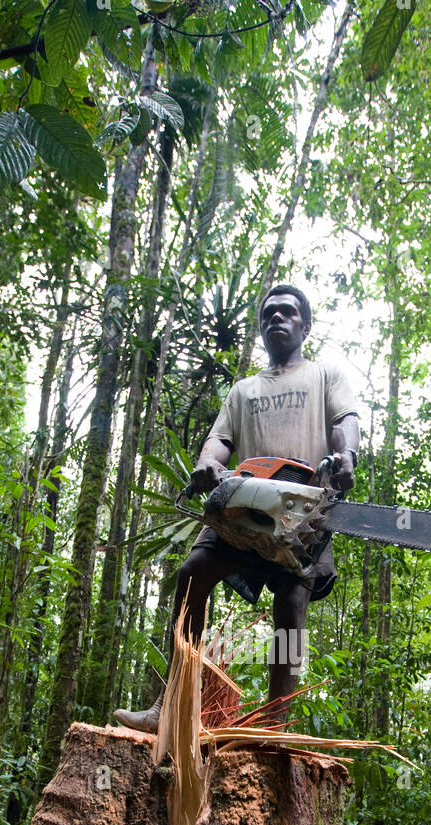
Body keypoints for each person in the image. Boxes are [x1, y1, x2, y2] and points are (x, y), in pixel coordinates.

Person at [114, 284, 360, 733]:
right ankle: (169, 706)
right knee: (193, 573)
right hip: (245, 503)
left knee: (292, 596)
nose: (277, 319)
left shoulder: (326, 375)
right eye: (269, 314)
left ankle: (273, 725)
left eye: (287, 313)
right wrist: (209, 463)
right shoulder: (243, 389)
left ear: (305, 324)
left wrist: (347, 456)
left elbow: (344, 421)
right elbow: (220, 440)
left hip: (303, 509)